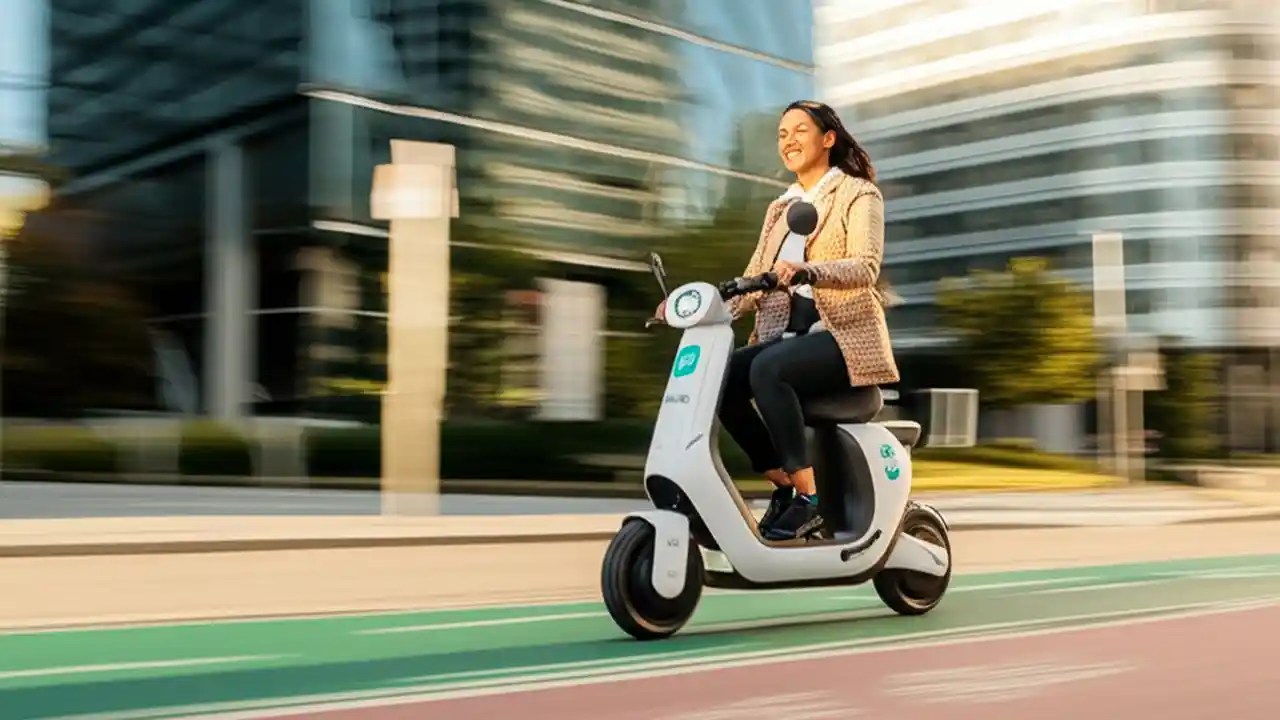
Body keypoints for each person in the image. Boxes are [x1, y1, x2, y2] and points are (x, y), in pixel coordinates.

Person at [659, 99, 899, 541]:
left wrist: (809, 271)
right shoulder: (779, 210)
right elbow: (752, 283)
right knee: (722, 376)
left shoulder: (858, 194)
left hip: (841, 336)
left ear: (828, 139)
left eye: (799, 131)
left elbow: (866, 266)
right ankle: (785, 486)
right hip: (789, 339)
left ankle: (811, 502)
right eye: (782, 135)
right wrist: (694, 310)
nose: (788, 141)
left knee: (769, 368)